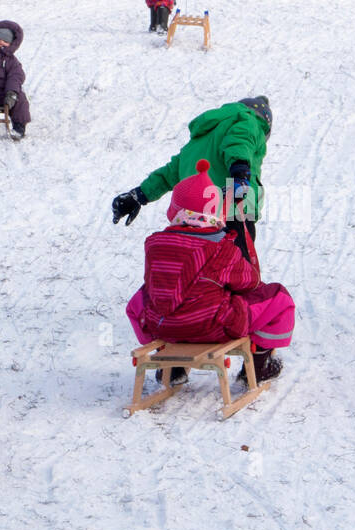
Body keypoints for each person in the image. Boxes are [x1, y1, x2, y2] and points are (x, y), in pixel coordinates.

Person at [124, 159, 295, 385]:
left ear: (175, 209)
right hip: (213, 325)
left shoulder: (154, 244)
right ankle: (260, 362)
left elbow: (153, 285)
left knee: (140, 300)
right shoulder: (221, 245)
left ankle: (171, 364)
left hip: (163, 325)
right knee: (279, 298)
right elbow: (249, 282)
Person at [112, 95, 272, 265]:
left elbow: (169, 173)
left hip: (189, 217)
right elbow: (239, 141)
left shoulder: (198, 140)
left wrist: (139, 195)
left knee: (193, 269)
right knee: (238, 271)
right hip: (231, 208)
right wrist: (240, 173)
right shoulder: (249, 120)